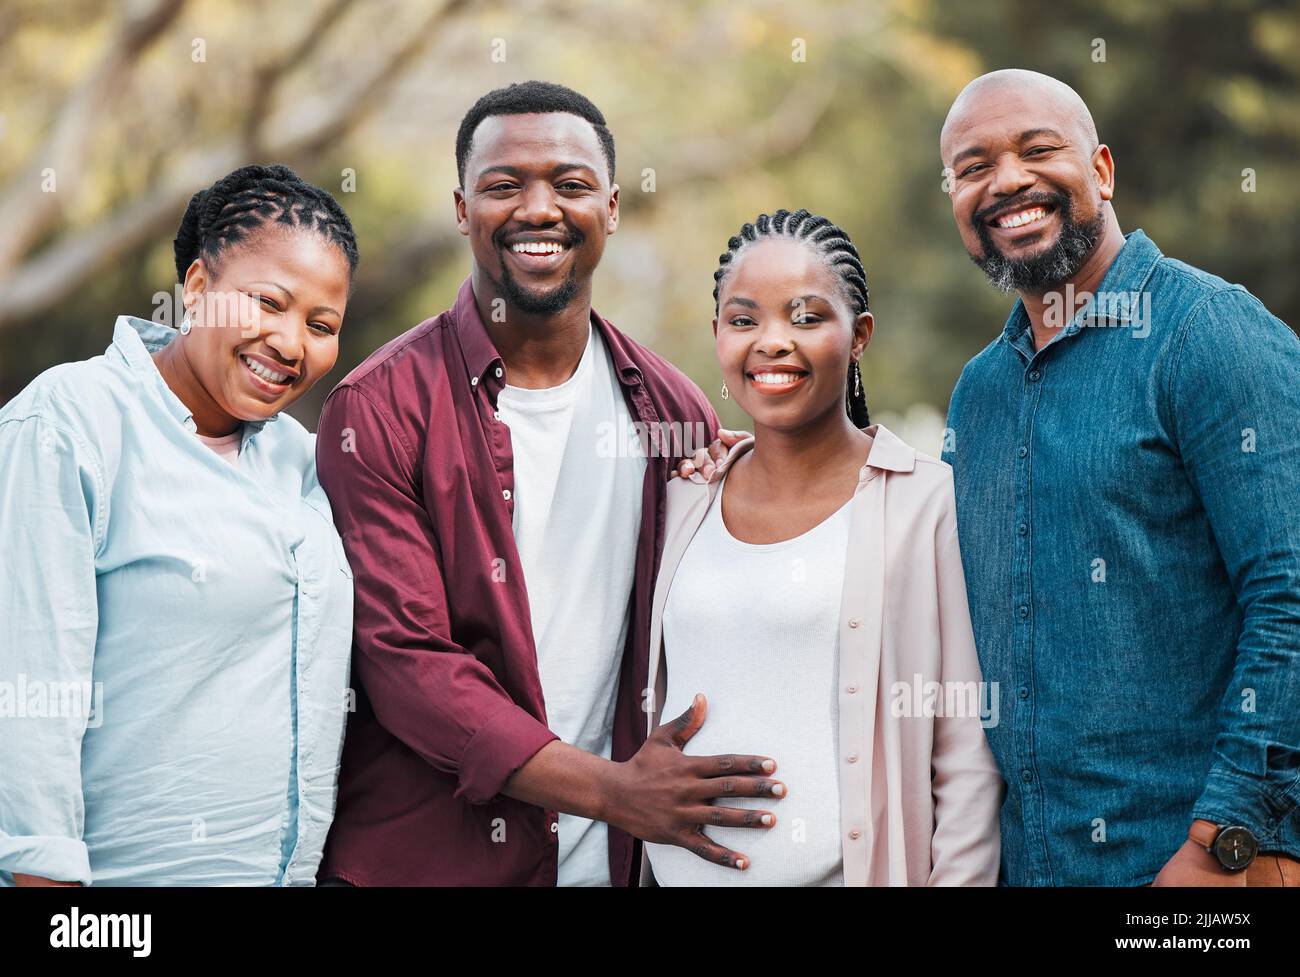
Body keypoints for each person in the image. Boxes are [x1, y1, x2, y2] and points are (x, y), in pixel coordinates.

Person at [314, 81, 781, 887]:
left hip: (610, 868)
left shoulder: (673, 409)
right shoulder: (377, 407)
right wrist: (618, 792)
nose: (539, 209)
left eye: (569, 185)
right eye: (504, 185)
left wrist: (759, 473)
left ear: (611, 207)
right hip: (424, 867)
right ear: (463, 210)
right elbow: (407, 663)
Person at [939, 69, 1300, 886]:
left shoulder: (1210, 333)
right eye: (972, 167)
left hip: (1198, 870)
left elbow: (1291, 594)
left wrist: (1223, 840)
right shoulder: (980, 392)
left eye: (1038, 150)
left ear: (1100, 171)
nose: (1007, 183)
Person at [0, 164, 358, 886]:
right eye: (268, 302)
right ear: (196, 289)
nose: (292, 344)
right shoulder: (70, 421)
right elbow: (27, 690)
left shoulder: (301, 461)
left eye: (321, 326)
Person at [642, 209, 1001, 886]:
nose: (773, 342)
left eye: (806, 317)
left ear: (859, 334)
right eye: (744, 320)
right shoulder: (683, 498)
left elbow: (965, 756)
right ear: (718, 334)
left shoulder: (925, 503)